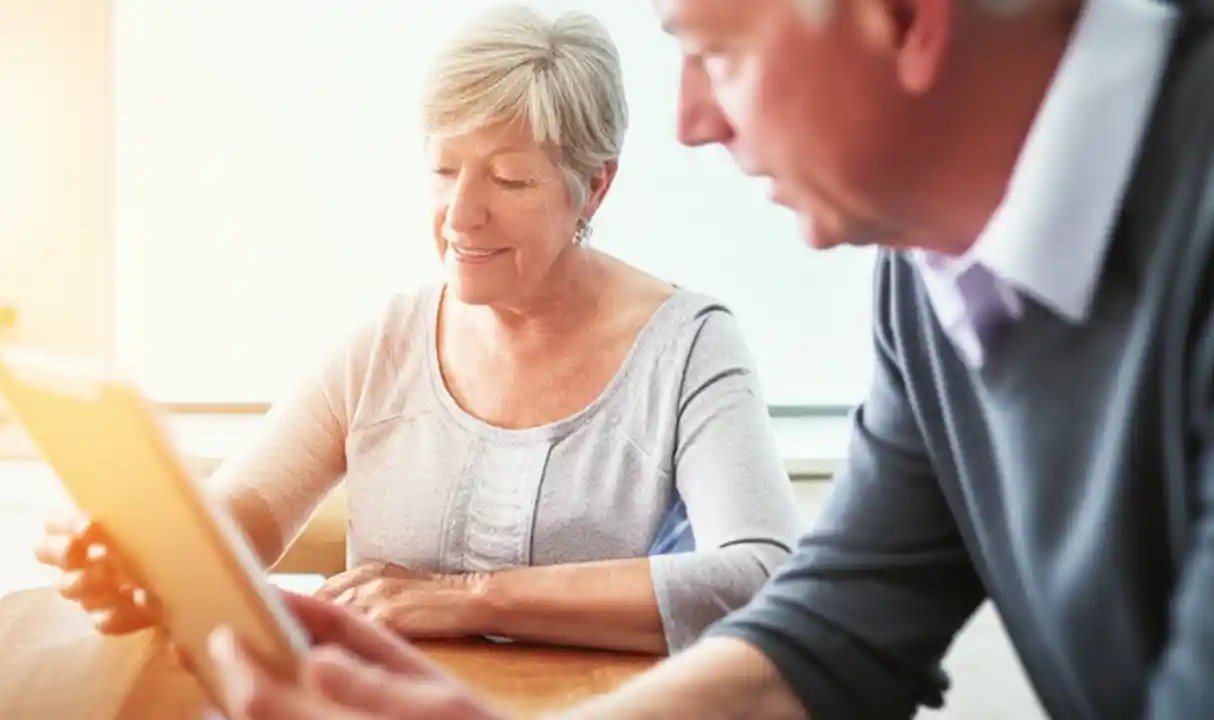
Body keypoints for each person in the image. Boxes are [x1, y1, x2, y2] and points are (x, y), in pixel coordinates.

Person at [202, 0, 1214, 717]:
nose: (691, 120)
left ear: (907, 19)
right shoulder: (929, 263)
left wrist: (476, 599)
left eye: (717, 49)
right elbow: (831, 627)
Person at [35, 4, 801, 657]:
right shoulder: (389, 340)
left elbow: (762, 574)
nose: (461, 216)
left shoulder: (690, 344)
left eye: (508, 179)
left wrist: (471, 598)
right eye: (443, 171)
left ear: (594, 185)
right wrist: (145, 562)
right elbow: (242, 519)